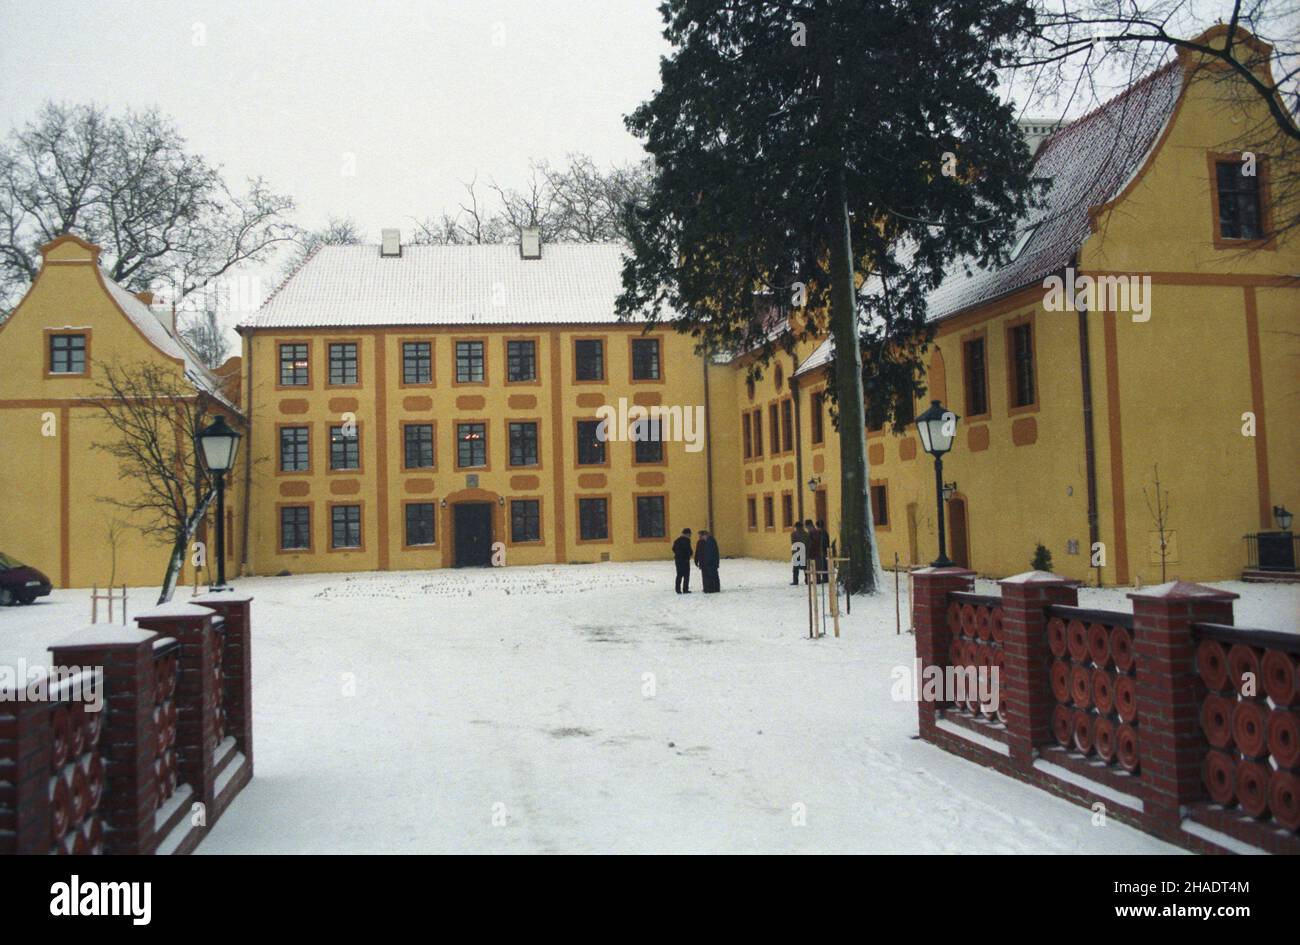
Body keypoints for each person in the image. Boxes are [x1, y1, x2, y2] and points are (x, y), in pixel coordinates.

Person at [672, 527, 693, 594]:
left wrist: (678, 554)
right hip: (685, 560)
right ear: (687, 534)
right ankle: (685, 589)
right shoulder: (687, 540)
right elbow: (688, 550)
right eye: (689, 534)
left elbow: (673, 548)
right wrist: (690, 553)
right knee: (686, 575)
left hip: (678, 559)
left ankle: (678, 589)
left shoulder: (677, 540)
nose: (690, 535)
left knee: (679, 574)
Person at [790, 522, 808, 586]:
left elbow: (793, 543)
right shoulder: (806, 534)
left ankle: (795, 581)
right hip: (804, 551)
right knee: (805, 567)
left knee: (795, 568)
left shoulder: (793, 534)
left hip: (797, 552)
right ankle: (807, 580)